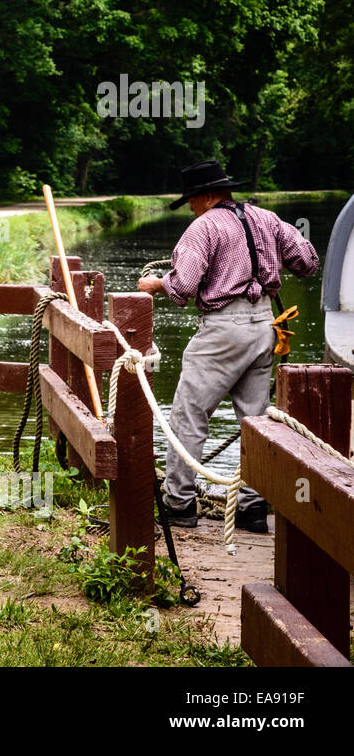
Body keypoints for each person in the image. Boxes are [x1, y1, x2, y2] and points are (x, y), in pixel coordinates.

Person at [138, 160, 318, 532]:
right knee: (254, 420)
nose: (190, 206)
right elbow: (308, 262)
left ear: (206, 196)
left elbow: (184, 286)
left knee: (189, 414)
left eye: (191, 199)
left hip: (223, 329)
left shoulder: (202, 227)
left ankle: (180, 504)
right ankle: (253, 509)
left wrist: (156, 285)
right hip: (266, 325)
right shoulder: (268, 219)